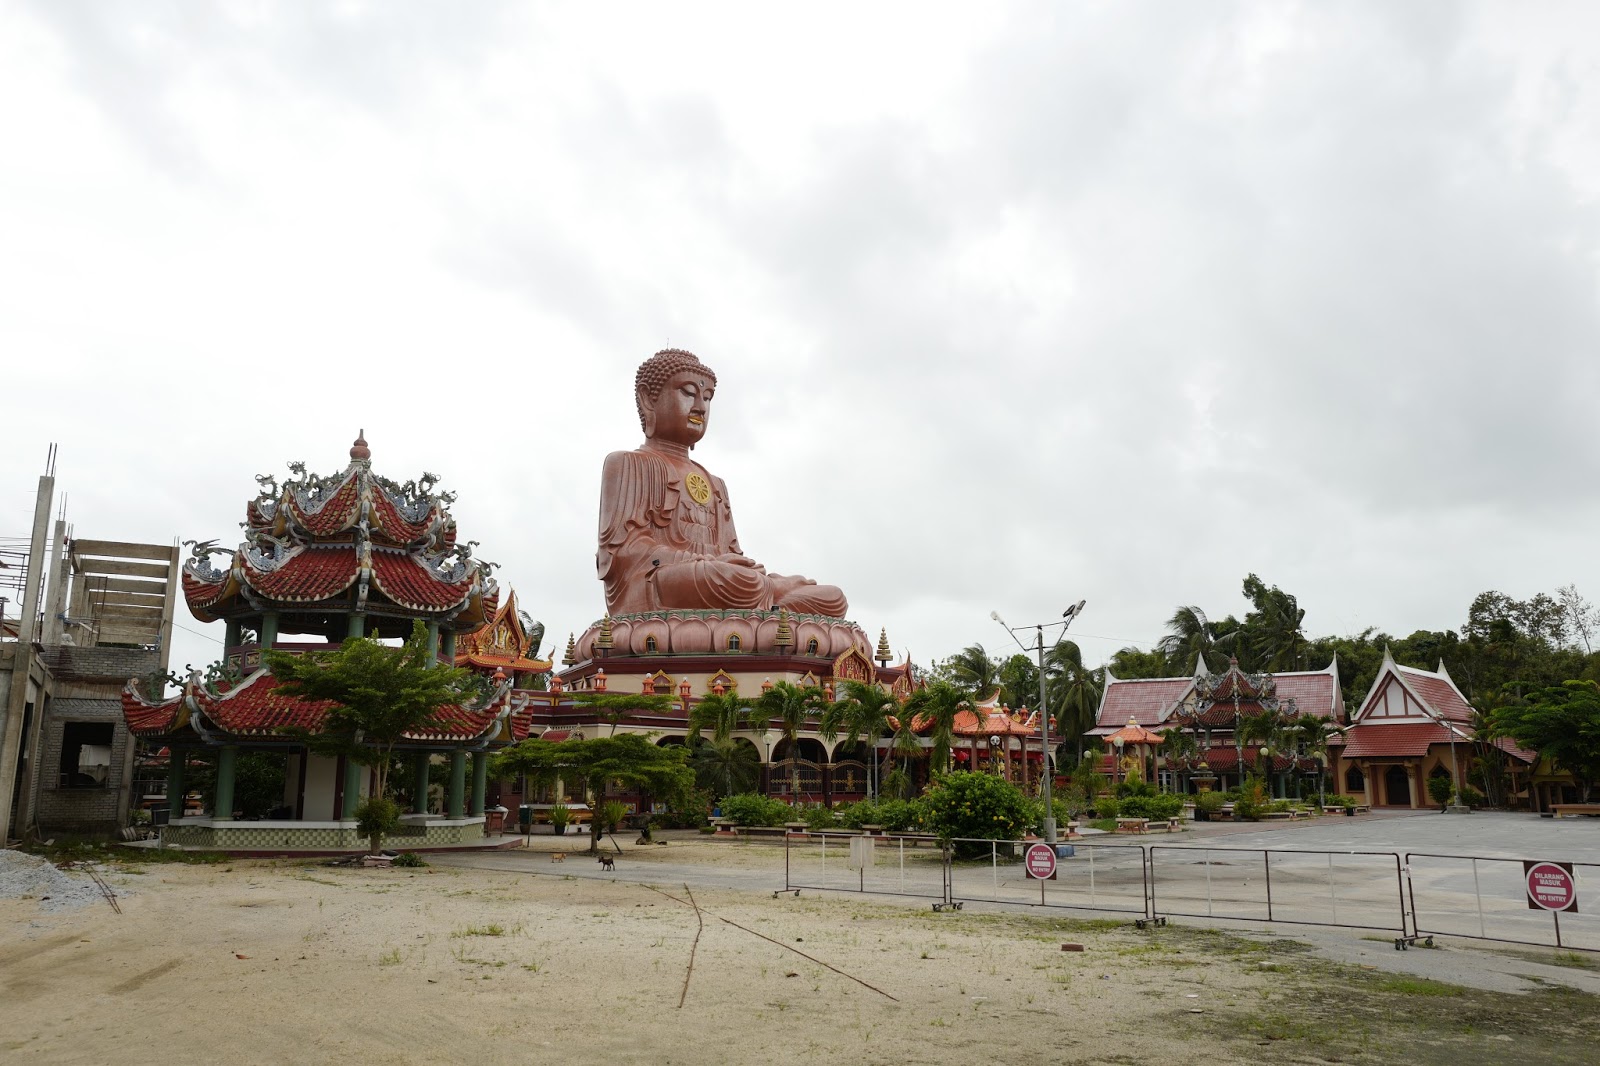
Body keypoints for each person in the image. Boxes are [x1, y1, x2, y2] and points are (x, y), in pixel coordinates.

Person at [597, 349, 848, 618]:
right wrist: (707, 564)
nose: (700, 407)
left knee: (833, 598)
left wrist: (756, 575)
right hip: (661, 585)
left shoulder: (715, 484)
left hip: (724, 582)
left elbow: (732, 557)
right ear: (648, 399)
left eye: (707, 398)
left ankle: (771, 606)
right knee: (736, 581)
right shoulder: (628, 464)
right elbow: (623, 554)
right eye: (688, 392)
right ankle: (770, 607)